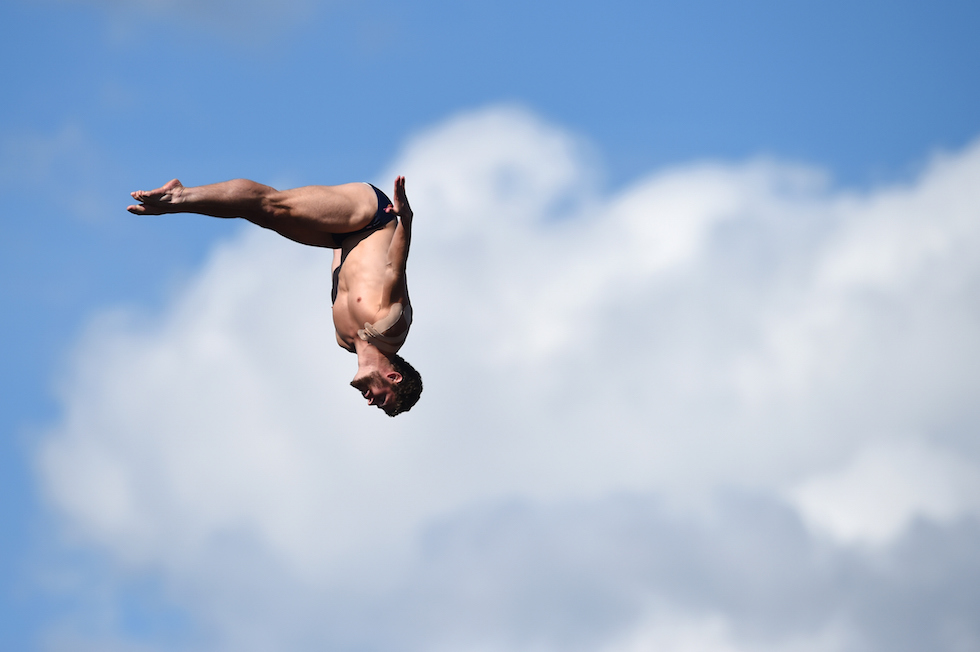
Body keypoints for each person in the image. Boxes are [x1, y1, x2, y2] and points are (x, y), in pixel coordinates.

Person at [127, 176, 422, 416]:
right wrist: (405, 221)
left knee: (259, 214)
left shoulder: (344, 339)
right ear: (393, 377)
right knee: (271, 205)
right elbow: (394, 269)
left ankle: (175, 202)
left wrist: (333, 237)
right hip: (372, 216)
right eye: (383, 401)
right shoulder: (391, 329)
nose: (370, 402)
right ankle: (179, 196)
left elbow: (340, 281)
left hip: (343, 238)